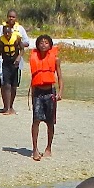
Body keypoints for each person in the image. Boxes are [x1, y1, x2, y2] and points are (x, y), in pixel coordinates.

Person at [27, 33, 62, 162]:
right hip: (37, 93)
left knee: (50, 122)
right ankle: (35, 149)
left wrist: (60, 92)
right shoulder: (34, 57)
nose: (43, 44)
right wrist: (32, 97)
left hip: (50, 93)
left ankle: (48, 148)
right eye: (41, 42)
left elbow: (60, 77)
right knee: (36, 120)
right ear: (37, 45)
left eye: (46, 42)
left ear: (50, 45)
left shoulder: (55, 59)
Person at [0, 9, 31, 115]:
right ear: (7, 17)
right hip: (4, 60)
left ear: (16, 18)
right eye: (9, 16)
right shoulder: (1, 28)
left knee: (14, 85)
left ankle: (11, 106)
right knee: (4, 84)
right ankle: (6, 106)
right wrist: (3, 41)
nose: (11, 18)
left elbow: (26, 43)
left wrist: (16, 42)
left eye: (13, 17)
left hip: (16, 61)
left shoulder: (20, 29)